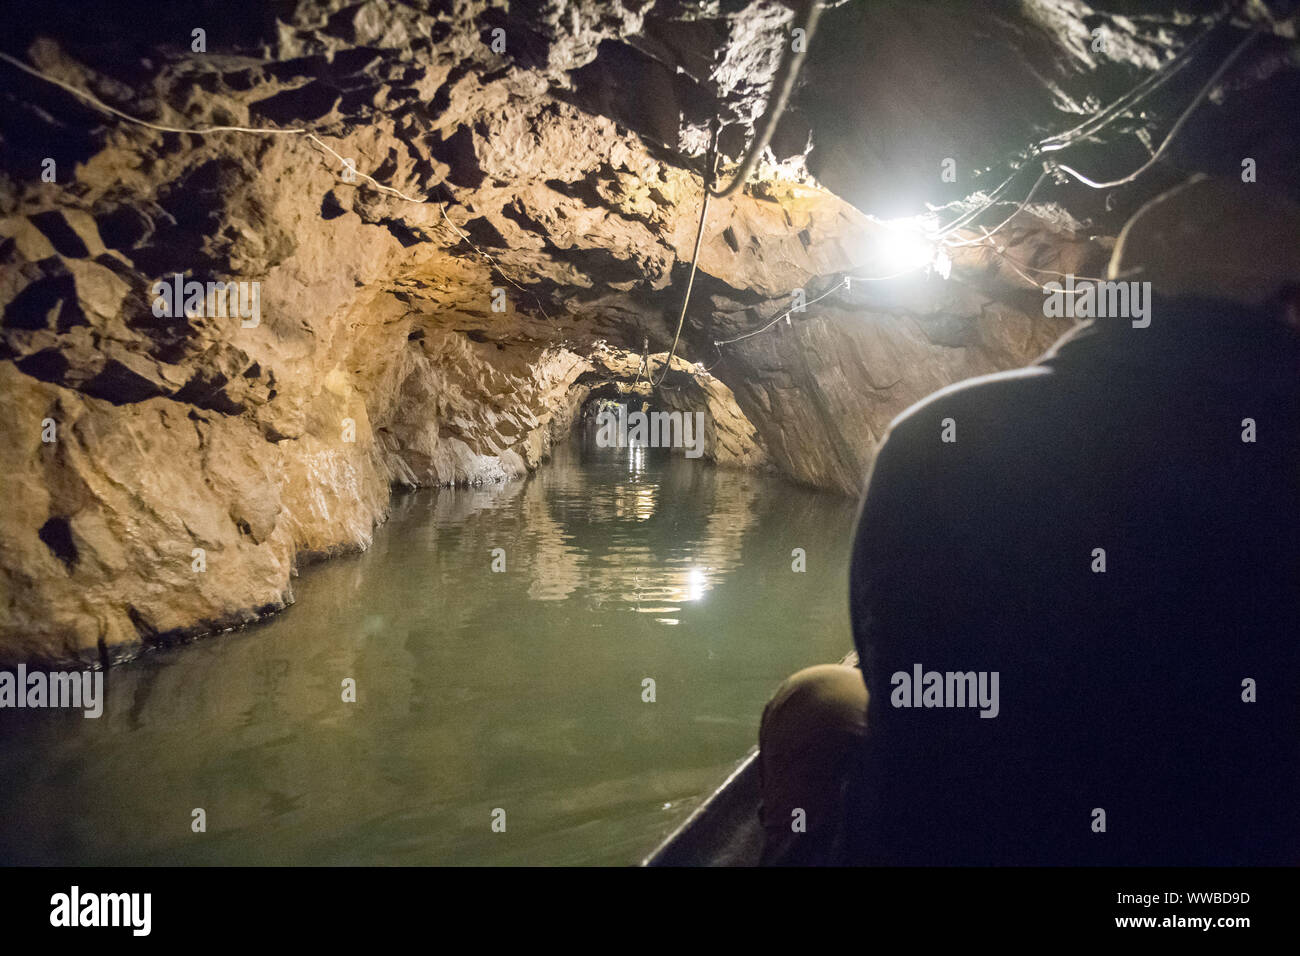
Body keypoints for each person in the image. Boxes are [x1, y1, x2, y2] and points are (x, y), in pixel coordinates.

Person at [757, 175, 1300, 865]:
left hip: (950, 845)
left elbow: (906, 674)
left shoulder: (937, 435)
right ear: (1288, 304)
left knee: (818, 696)